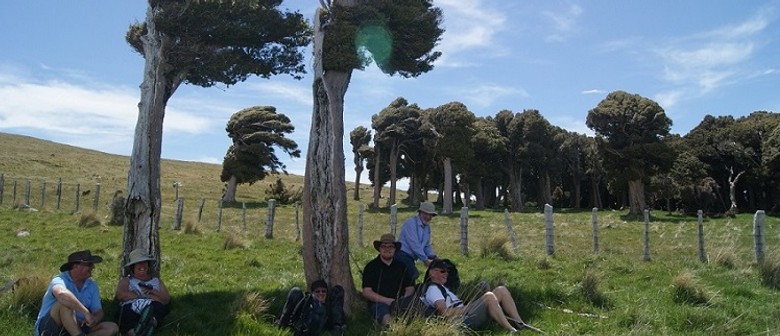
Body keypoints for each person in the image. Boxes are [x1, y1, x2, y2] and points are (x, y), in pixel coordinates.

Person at [421, 259, 526, 333]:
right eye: (442, 271)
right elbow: (445, 312)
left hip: (466, 312)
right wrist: (466, 307)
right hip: (462, 320)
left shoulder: (442, 288)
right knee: (489, 296)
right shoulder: (433, 289)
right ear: (432, 273)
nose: (446, 274)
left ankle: (520, 324)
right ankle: (511, 330)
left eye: (447, 272)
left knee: (501, 290)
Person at [35, 250, 119, 336]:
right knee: (64, 304)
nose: (93, 267)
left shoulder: (91, 285)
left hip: (79, 326)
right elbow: (62, 295)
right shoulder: (59, 280)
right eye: (89, 265)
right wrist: (86, 313)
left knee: (111, 327)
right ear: (76, 266)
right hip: (52, 327)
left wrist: (94, 319)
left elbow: (98, 310)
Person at [361, 233, 415, 325]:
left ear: (395, 249)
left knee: (410, 321)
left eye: (390, 247)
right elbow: (366, 292)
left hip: (400, 302)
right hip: (378, 303)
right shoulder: (371, 267)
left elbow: (410, 287)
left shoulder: (401, 266)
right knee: (388, 321)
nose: (387, 249)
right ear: (379, 249)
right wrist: (387, 301)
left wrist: (403, 300)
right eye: (384, 246)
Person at [115, 248, 171, 336]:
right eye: (138, 263)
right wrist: (142, 296)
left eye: (144, 262)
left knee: (159, 308)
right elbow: (121, 295)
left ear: (148, 265)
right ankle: (135, 333)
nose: (142, 265)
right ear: (133, 267)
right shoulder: (127, 280)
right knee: (125, 313)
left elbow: (166, 299)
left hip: (152, 306)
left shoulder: (156, 281)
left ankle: (150, 323)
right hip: (131, 306)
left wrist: (152, 291)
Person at [276, 279, 345, 336]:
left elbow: (335, 310)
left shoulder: (329, 306)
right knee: (295, 291)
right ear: (312, 293)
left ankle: (338, 330)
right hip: (304, 326)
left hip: (324, 325)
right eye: (317, 291)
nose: (321, 293)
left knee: (337, 290)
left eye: (323, 291)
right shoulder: (306, 303)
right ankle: (281, 325)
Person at [396, 201, 438, 281]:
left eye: (430, 215)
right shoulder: (410, 223)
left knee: (410, 276)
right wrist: (425, 260)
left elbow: (426, 246)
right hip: (401, 255)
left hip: (410, 258)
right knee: (413, 274)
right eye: (426, 214)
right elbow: (414, 244)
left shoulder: (427, 228)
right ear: (420, 213)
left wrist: (434, 257)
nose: (428, 217)